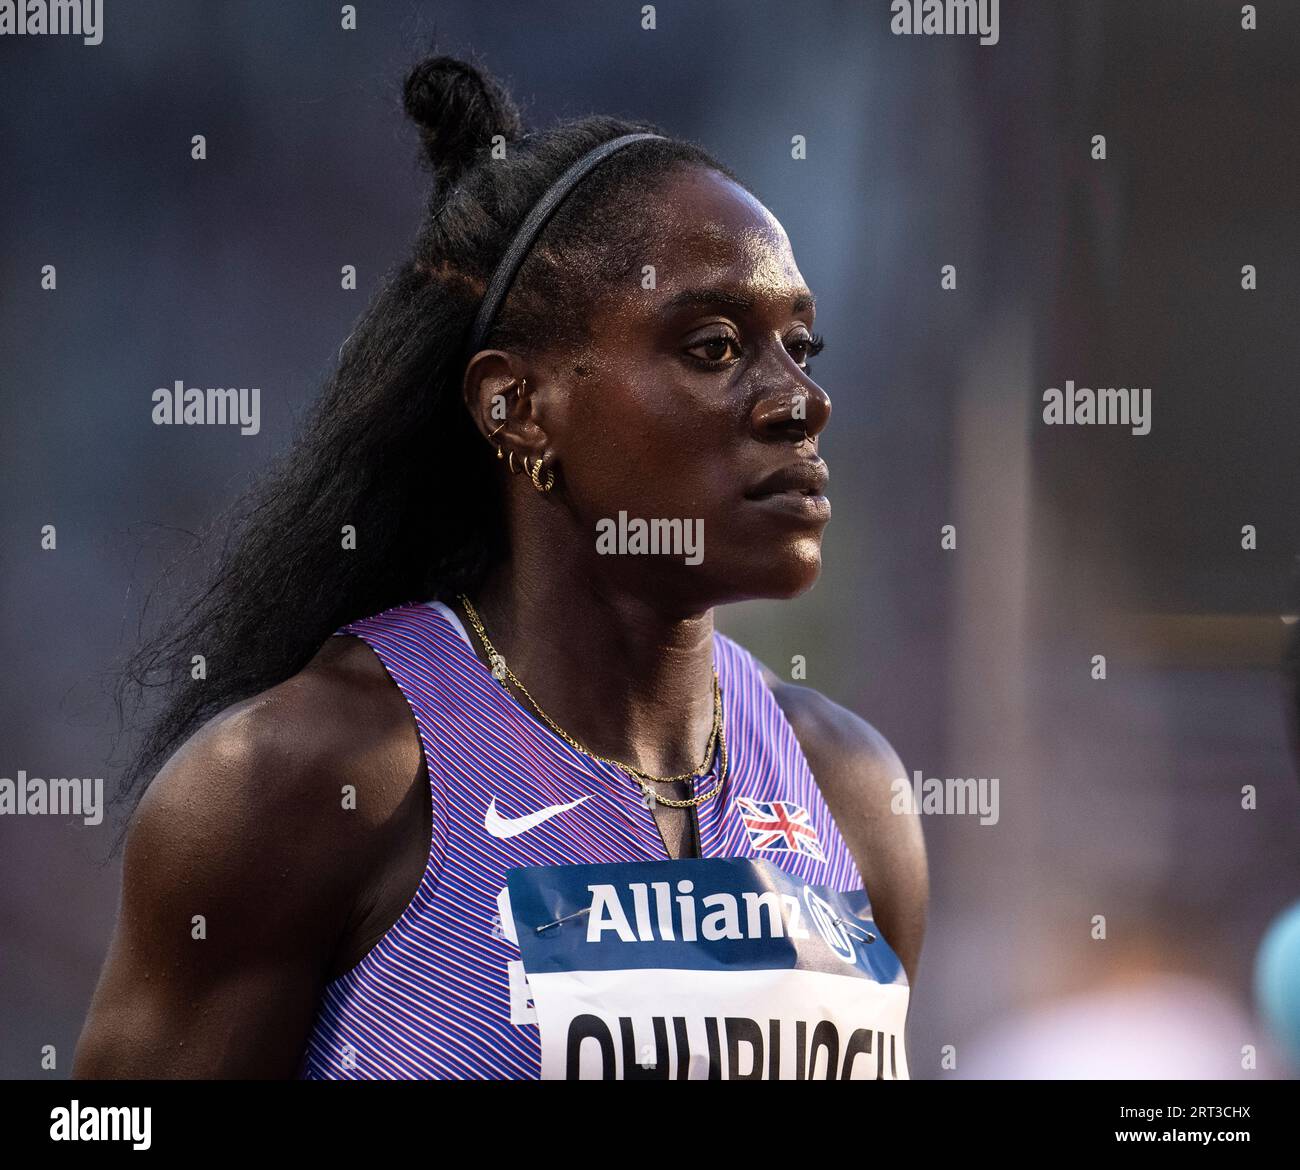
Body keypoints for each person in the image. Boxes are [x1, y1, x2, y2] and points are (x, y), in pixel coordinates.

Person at [73, 53, 928, 1079]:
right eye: (711, 346)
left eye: (803, 345)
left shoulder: (850, 792)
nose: (798, 399)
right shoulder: (308, 781)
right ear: (516, 408)